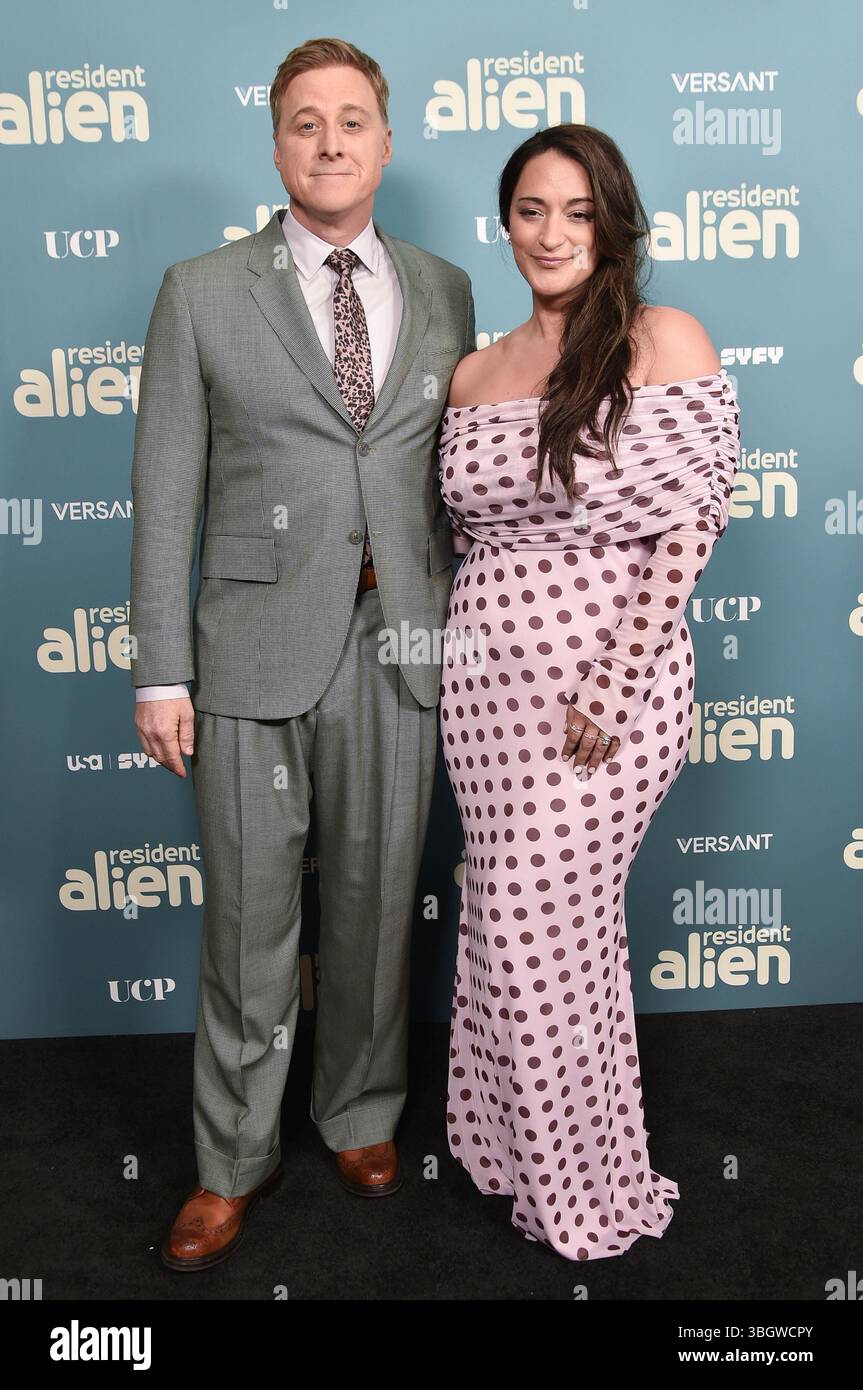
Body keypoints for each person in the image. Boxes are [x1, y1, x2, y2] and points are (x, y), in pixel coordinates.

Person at [129, 36, 474, 1271]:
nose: (328, 142)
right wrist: (162, 671)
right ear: (274, 145)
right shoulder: (200, 289)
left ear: (385, 141)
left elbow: (445, 482)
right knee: (248, 922)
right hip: (248, 657)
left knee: (381, 903)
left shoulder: (442, 288)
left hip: (401, 651)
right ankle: (230, 1158)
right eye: (303, 123)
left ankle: (361, 1113)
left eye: (351, 121)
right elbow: (165, 492)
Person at [437, 123, 740, 1260]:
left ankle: (585, 1184)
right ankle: (510, 1149)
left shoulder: (661, 338)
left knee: (530, 920)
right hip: (485, 701)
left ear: (612, 223)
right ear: (505, 221)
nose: (550, 232)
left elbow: (690, 521)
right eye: (529, 209)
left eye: (575, 211)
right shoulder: (476, 368)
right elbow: (467, 541)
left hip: (605, 696)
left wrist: (612, 682)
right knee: (521, 927)